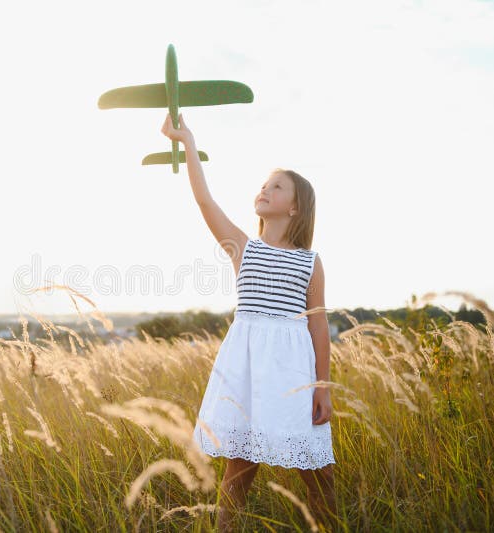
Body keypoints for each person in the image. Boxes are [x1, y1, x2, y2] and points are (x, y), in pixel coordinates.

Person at [161, 113, 337, 532]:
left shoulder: (310, 263)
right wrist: (187, 143)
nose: (264, 189)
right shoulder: (244, 248)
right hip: (249, 373)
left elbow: (318, 328)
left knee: (318, 471)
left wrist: (322, 387)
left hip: (293, 375)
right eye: (263, 184)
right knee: (239, 470)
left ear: (295, 206)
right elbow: (206, 201)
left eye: (276, 186)